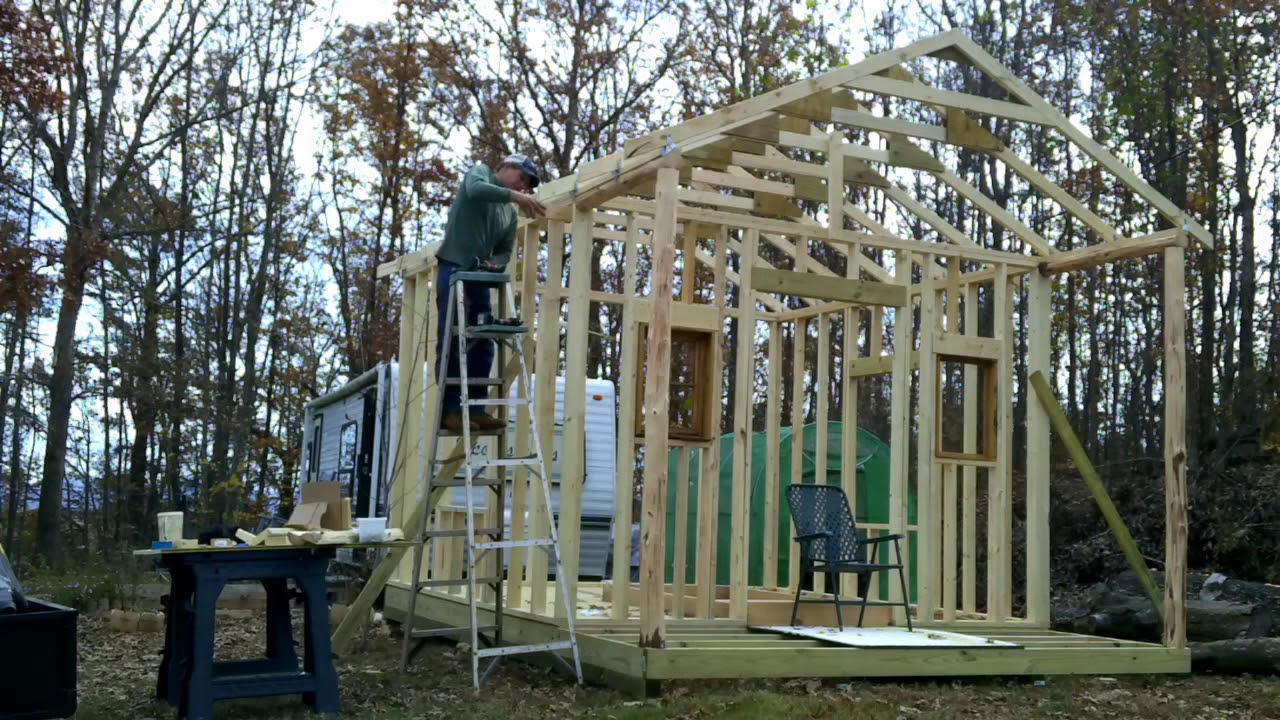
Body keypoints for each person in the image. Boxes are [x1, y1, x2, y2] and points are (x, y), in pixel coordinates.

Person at [435, 154, 547, 432]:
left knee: (483, 343)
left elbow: (504, 251)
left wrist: (493, 264)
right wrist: (515, 196)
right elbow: (475, 190)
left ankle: (476, 409)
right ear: (505, 168)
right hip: (454, 269)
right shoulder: (480, 173)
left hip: (479, 276)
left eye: (525, 185)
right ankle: (449, 411)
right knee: (453, 338)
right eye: (520, 178)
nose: (521, 187)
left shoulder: (508, 213)